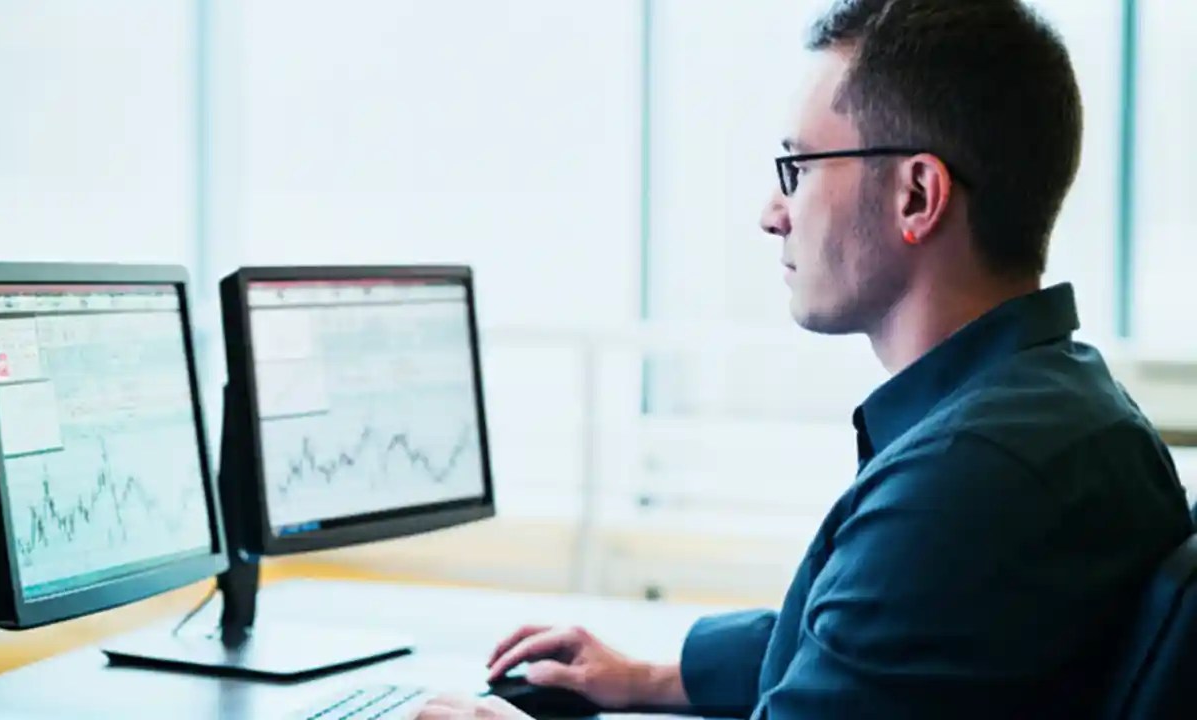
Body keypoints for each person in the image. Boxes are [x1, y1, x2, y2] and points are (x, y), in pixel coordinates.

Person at [417, 0, 1194, 717]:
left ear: (917, 196)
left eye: (799, 168)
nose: (772, 213)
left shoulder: (966, 479)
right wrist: (651, 678)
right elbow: (875, 641)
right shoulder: (1069, 407)